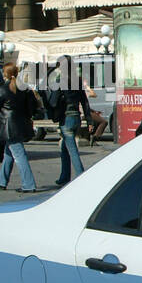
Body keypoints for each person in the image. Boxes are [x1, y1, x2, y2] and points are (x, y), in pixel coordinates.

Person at [0, 63, 39, 194]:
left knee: (19, 155)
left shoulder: (2, 89)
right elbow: (32, 106)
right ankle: (2, 180)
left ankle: (29, 184)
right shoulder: (23, 88)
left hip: (8, 126)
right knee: (8, 153)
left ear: (5, 74)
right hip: (20, 124)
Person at [55, 55, 94, 187]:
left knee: (72, 150)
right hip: (76, 117)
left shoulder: (61, 80)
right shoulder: (76, 80)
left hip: (66, 118)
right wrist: (89, 121)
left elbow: (54, 99)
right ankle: (64, 176)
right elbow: (84, 101)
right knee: (64, 147)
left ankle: (81, 177)